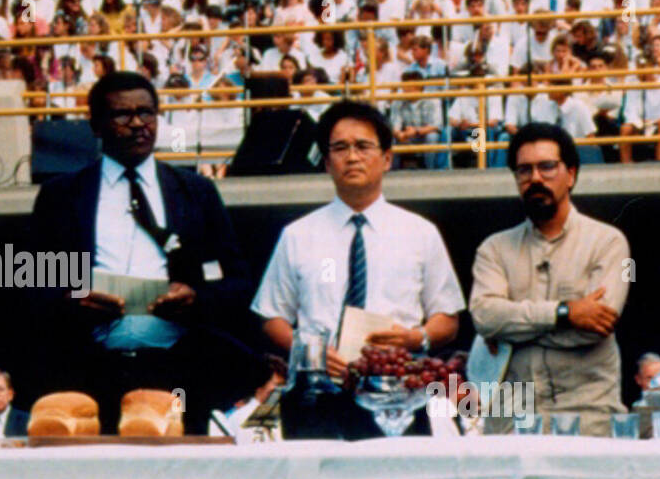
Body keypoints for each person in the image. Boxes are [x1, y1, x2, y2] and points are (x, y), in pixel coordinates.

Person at [30, 70, 261, 432]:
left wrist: (196, 298)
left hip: (179, 370)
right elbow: (31, 286)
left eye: (148, 113)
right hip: (90, 372)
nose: (138, 124)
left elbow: (238, 281)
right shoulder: (62, 197)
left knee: (182, 478)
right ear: (96, 125)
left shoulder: (196, 192)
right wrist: (72, 298)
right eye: (123, 115)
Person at [253, 100, 464, 378]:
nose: (352, 157)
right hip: (319, 385)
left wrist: (416, 337)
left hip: (396, 385)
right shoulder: (297, 235)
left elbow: (448, 318)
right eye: (340, 148)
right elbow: (271, 315)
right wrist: (306, 351)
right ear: (327, 163)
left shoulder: (421, 233)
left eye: (363, 147)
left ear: (387, 159)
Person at [469, 122, 631, 437]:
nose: (535, 179)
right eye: (524, 170)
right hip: (511, 420)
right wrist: (565, 313)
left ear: (570, 174)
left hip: (587, 416)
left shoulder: (609, 242)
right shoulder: (493, 249)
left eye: (546, 167)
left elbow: (598, 325)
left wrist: (512, 328)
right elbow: (485, 318)